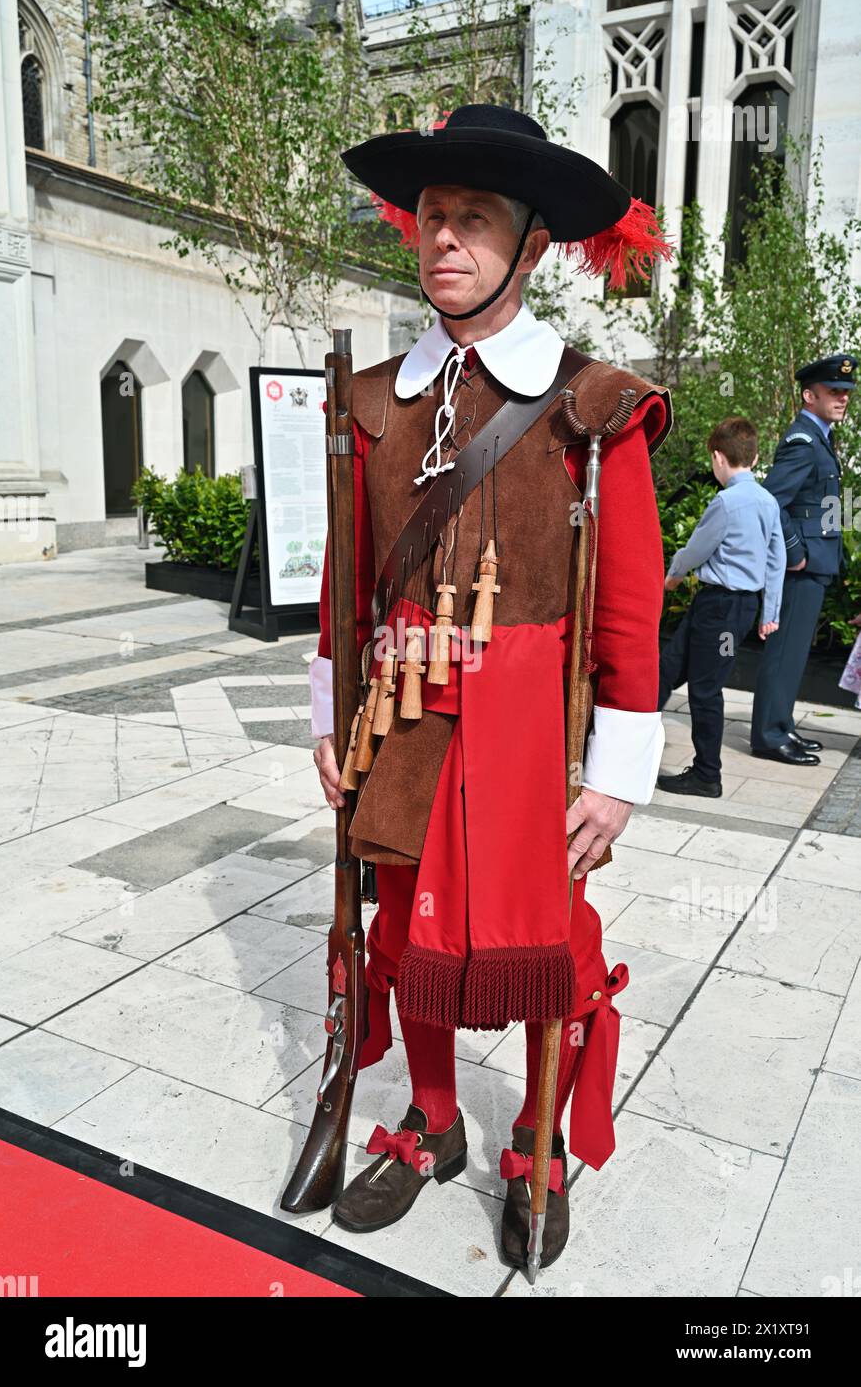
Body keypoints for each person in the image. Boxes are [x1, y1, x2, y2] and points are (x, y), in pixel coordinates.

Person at [307, 103, 673, 1271]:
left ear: (527, 247)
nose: (443, 239)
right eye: (429, 217)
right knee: (404, 941)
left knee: (546, 949)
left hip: (531, 739)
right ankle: (431, 1118)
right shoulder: (370, 399)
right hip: (402, 719)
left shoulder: (591, 402)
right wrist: (328, 718)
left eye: (473, 219)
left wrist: (614, 779)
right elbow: (343, 585)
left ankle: (536, 1133)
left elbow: (626, 603)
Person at [656, 416, 785, 797]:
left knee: (705, 689)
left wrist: (674, 574)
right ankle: (624, 746)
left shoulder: (727, 502)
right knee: (664, 671)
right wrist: (771, 613)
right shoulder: (767, 501)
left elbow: (697, 547)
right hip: (735, 609)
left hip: (721, 608)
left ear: (717, 457)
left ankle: (707, 774)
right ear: (755, 455)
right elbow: (776, 561)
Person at [750, 354, 856, 764]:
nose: (843, 399)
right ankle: (768, 735)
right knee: (784, 650)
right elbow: (772, 501)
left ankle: (781, 724)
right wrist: (795, 554)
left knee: (794, 652)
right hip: (802, 566)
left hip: (816, 563)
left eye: (846, 393)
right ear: (809, 396)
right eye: (834, 392)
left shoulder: (820, 438)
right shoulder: (802, 441)